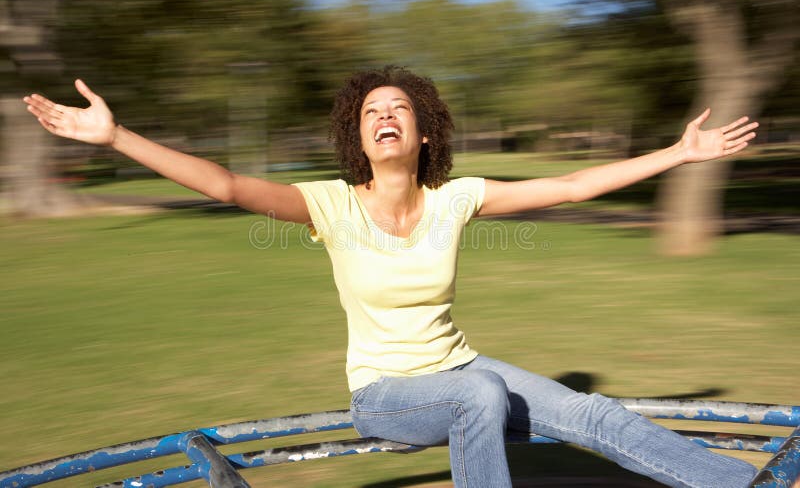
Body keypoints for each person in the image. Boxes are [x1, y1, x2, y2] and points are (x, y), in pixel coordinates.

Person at [24, 65, 759, 488]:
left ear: (423, 131)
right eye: (372, 111)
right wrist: (116, 136)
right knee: (479, 393)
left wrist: (679, 154)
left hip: (461, 367)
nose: (385, 116)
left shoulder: (456, 199)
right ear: (358, 134)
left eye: (399, 108)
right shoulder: (330, 205)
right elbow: (223, 185)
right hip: (385, 396)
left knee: (592, 414)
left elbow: (569, 186)